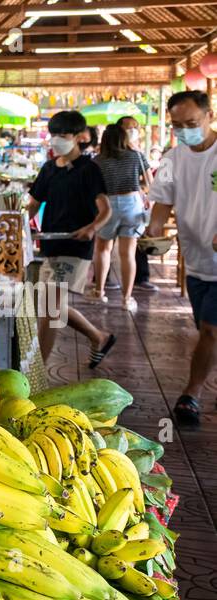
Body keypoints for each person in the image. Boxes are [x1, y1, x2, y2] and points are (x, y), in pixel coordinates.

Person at [146, 90, 217, 428]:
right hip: (196, 259)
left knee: (210, 330)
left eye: (192, 123)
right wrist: (154, 231)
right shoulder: (174, 160)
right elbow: (162, 201)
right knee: (204, 327)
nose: (185, 130)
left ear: (209, 116)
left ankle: (192, 393)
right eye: (177, 125)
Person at [27, 110, 115, 365]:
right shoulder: (48, 168)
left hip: (75, 247)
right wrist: (19, 223)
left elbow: (105, 210)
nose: (56, 140)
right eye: (53, 134)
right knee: (49, 306)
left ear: (79, 137)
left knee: (50, 310)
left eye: (63, 135)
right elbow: (33, 204)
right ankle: (99, 337)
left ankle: (39, 370)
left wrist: (91, 228)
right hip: (50, 244)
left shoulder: (89, 169)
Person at [90, 123, 151, 310]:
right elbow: (151, 182)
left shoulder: (97, 161)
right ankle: (127, 298)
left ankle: (99, 292)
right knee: (128, 253)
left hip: (107, 205)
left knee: (102, 249)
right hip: (132, 203)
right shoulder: (137, 157)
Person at [116, 114, 158, 291]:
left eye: (135, 127)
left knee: (136, 243)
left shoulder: (139, 155)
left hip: (133, 203)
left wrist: (145, 195)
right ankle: (103, 281)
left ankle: (141, 278)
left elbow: (149, 182)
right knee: (105, 246)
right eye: (128, 127)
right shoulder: (108, 154)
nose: (132, 131)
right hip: (110, 204)